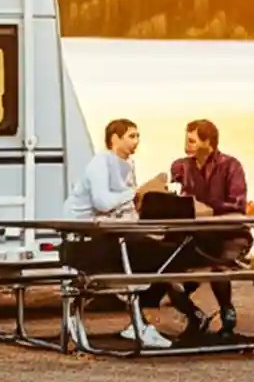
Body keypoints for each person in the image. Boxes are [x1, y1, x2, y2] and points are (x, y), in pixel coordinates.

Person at [62, 119, 172, 349]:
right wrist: (136, 192)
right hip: (85, 239)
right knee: (147, 256)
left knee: (164, 254)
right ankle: (138, 322)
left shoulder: (128, 164)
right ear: (115, 138)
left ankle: (139, 321)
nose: (136, 142)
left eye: (138, 136)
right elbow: (103, 202)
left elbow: (126, 207)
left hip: (111, 234)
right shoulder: (100, 163)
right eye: (131, 136)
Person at [167, 119, 253, 338]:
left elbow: (238, 204)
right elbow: (175, 194)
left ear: (208, 142)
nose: (187, 145)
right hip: (197, 235)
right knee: (165, 267)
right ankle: (194, 314)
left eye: (193, 141)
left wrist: (206, 206)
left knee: (219, 268)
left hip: (230, 235)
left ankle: (227, 312)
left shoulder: (231, 166)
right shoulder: (183, 166)